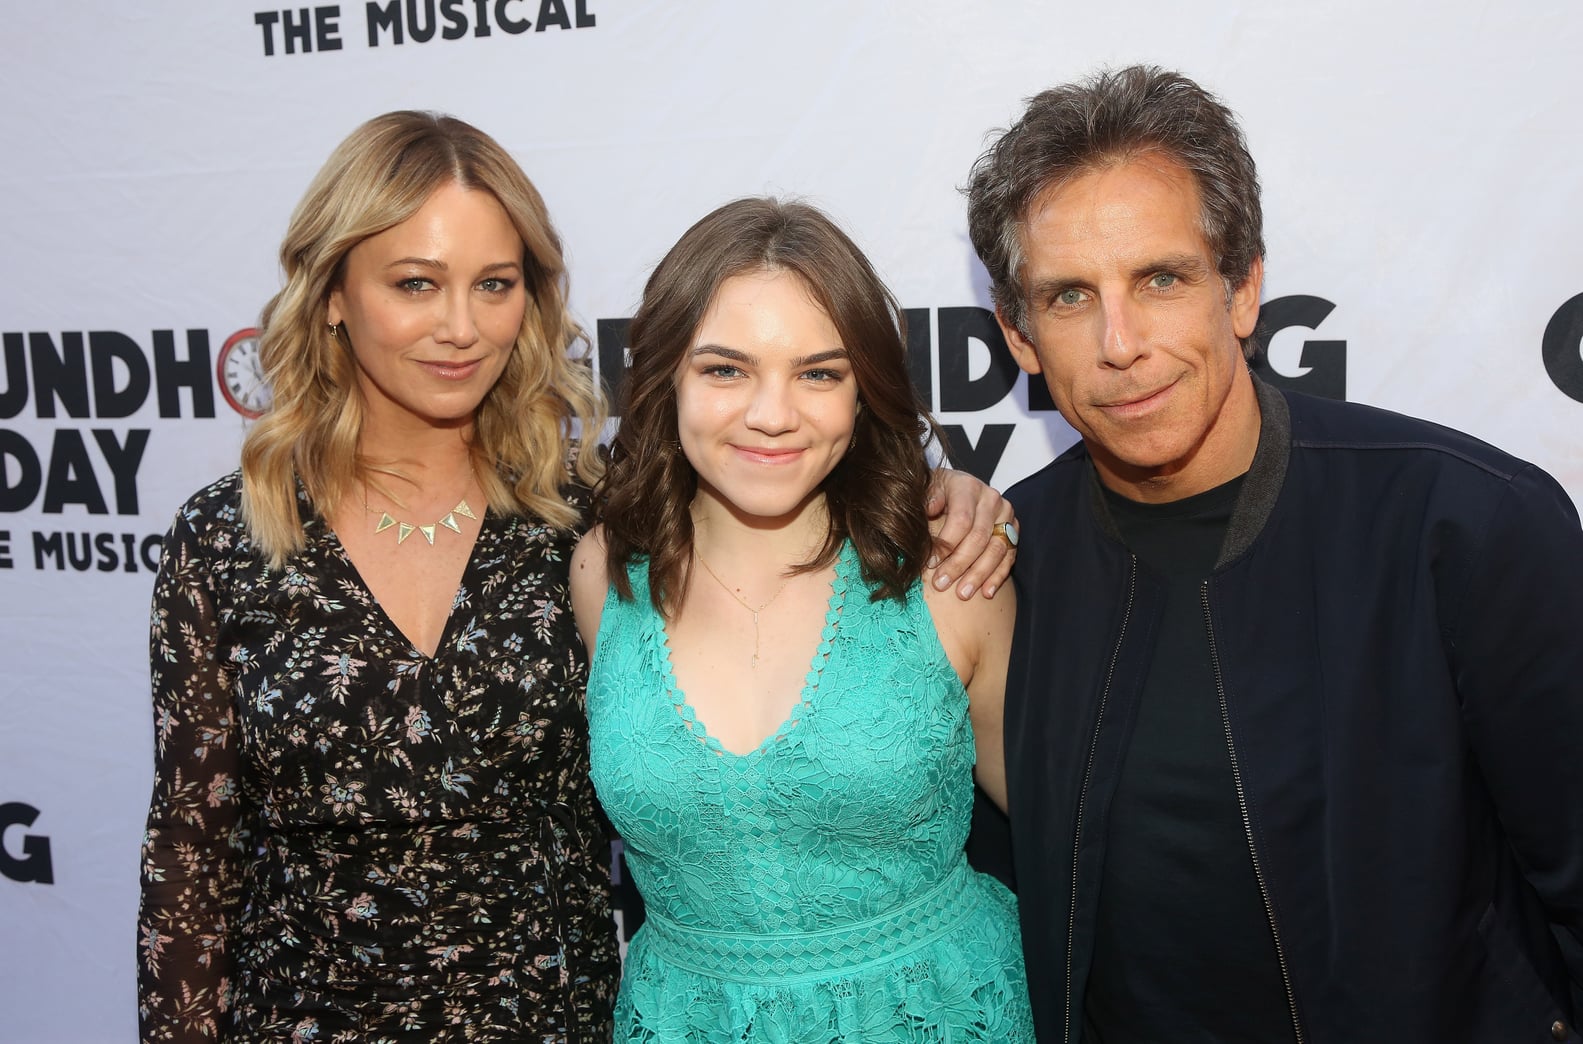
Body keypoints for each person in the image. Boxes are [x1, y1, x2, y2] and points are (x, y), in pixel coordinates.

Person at [136, 113, 1014, 1042]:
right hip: (306, 1022)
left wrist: (950, 493)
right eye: (414, 283)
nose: (459, 326)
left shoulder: (578, 521)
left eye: (495, 284)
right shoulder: (227, 539)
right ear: (332, 295)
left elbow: (771, 477)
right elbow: (191, 854)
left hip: (558, 1019)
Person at [965, 64, 1583, 1043]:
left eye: (1159, 279)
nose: (1119, 343)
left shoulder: (1459, 522)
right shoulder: (1001, 564)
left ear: (1242, 289)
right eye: (1071, 297)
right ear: (1020, 334)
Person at [570, 197, 1035, 1041]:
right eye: (725, 370)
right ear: (665, 375)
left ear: (864, 393)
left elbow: (1067, 833)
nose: (772, 414)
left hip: (940, 1013)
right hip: (685, 1019)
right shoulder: (603, 572)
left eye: (818, 373)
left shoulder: (946, 572)